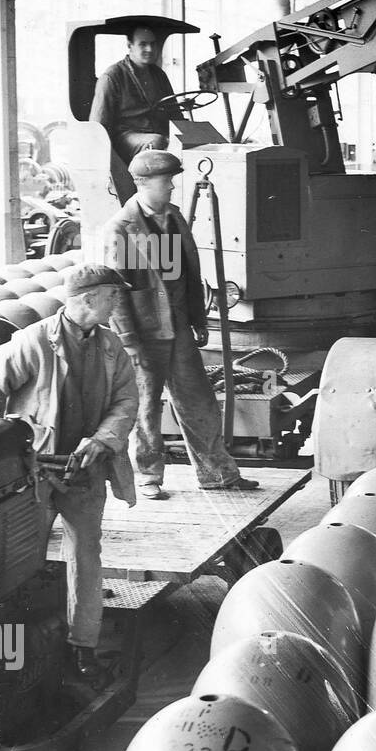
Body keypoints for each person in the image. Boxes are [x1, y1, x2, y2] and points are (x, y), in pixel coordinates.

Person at [0, 265, 139, 680]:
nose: (118, 303)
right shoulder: (32, 342)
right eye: (112, 296)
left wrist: (102, 439)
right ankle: (20, 653)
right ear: (87, 299)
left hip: (85, 470)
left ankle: (82, 647)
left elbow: (126, 401)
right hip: (33, 475)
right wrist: (3, 458)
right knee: (19, 562)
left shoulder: (111, 347)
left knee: (85, 558)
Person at [98, 149, 259, 499]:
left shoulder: (172, 218)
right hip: (144, 335)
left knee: (198, 401)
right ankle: (149, 477)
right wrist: (130, 341)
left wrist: (199, 319)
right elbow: (119, 293)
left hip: (178, 329)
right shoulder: (123, 229)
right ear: (143, 183)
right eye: (165, 180)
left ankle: (216, 473)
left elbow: (184, 276)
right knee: (146, 406)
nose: (172, 186)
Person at [89, 24, 178, 165]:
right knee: (157, 142)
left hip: (158, 134)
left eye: (152, 44)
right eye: (143, 44)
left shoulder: (159, 75)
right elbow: (98, 125)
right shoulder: (112, 76)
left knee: (194, 140)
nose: (149, 49)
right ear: (130, 45)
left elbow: (175, 113)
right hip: (125, 137)